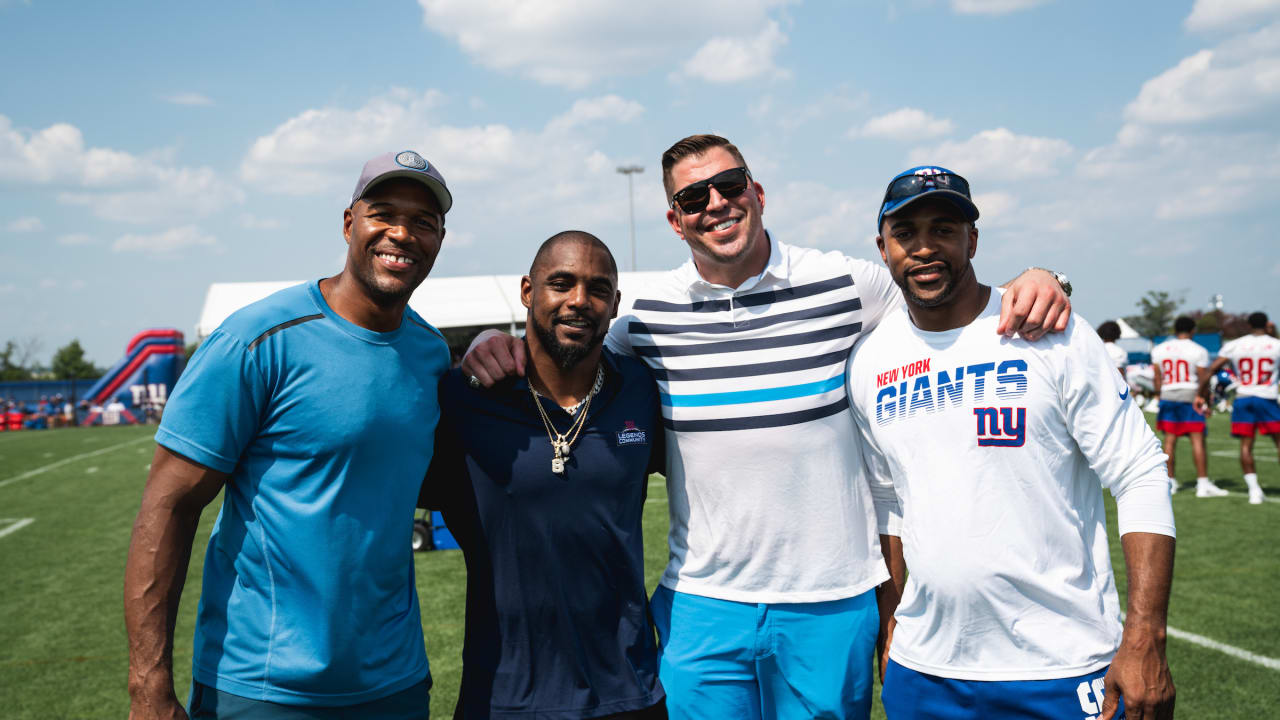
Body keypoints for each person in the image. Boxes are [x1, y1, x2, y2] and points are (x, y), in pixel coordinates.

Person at [463, 135, 1071, 720]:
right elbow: (566, 358)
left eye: (728, 186)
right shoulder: (644, 322)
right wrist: (495, 344)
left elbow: (945, 285)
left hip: (830, 604)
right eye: (693, 199)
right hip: (700, 606)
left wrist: (1042, 278)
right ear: (676, 222)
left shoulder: (849, 285)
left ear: (756, 193)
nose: (715, 205)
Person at [124, 150, 453, 719]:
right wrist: (148, 687)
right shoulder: (255, 339)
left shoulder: (429, 353)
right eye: (383, 213)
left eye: (423, 221)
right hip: (262, 687)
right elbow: (168, 506)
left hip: (394, 683)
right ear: (349, 223)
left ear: (440, 239)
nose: (402, 233)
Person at [848, 166, 1176, 720]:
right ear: (883, 249)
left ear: (972, 240)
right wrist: (893, 617)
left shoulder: (1051, 332)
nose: (925, 248)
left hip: (1062, 665)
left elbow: (1141, 473)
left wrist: (1146, 636)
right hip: (925, 670)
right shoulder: (869, 361)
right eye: (906, 234)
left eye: (944, 229)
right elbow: (890, 504)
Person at [422, 232, 666, 719]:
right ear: (528, 292)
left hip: (629, 690)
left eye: (598, 289)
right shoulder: (463, 397)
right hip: (504, 696)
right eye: (561, 283)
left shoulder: (640, 388)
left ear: (614, 304)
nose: (580, 300)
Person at [1199, 311, 1280, 504]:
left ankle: (1254, 490)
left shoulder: (1235, 344)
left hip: (1243, 396)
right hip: (1267, 396)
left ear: (1249, 325)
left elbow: (1213, 368)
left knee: (1246, 446)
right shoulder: (1276, 345)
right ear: (1267, 325)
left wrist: (1201, 394)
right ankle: (1255, 490)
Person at [1151, 316, 1226, 497]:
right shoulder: (1198, 350)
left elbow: (1157, 378)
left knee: (1169, 440)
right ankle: (1202, 484)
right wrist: (1205, 400)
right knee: (1197, 440)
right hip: (1190, 395)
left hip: (1168, 395)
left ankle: (1171, 482)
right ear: (1192, 331)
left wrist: (1160, 397)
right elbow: (1203, 379)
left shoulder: (1160, 349)